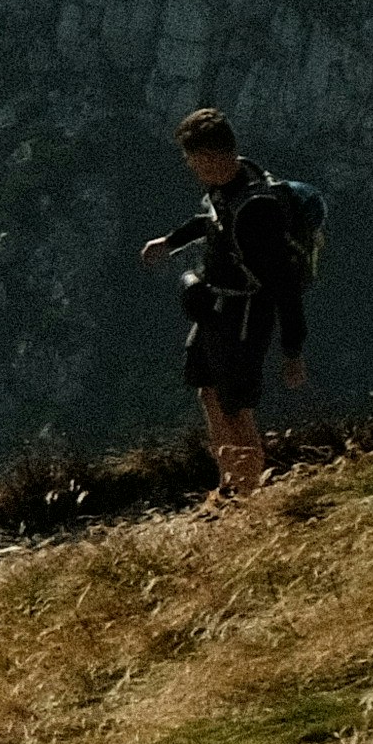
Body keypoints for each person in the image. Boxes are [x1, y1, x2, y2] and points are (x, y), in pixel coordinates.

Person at [137, 106, 322, 495]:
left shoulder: (258, 212)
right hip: (214, 307)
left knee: (235, 407)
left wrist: (293, 353)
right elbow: (210, 219)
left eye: (192, 158)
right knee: (208, 388)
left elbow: (284, 288)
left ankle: (248, 494)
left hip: (244, 316)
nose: (189, 166)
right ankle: (228, 483)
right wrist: (170, 241)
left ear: (211, 156)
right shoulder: (232, 181)